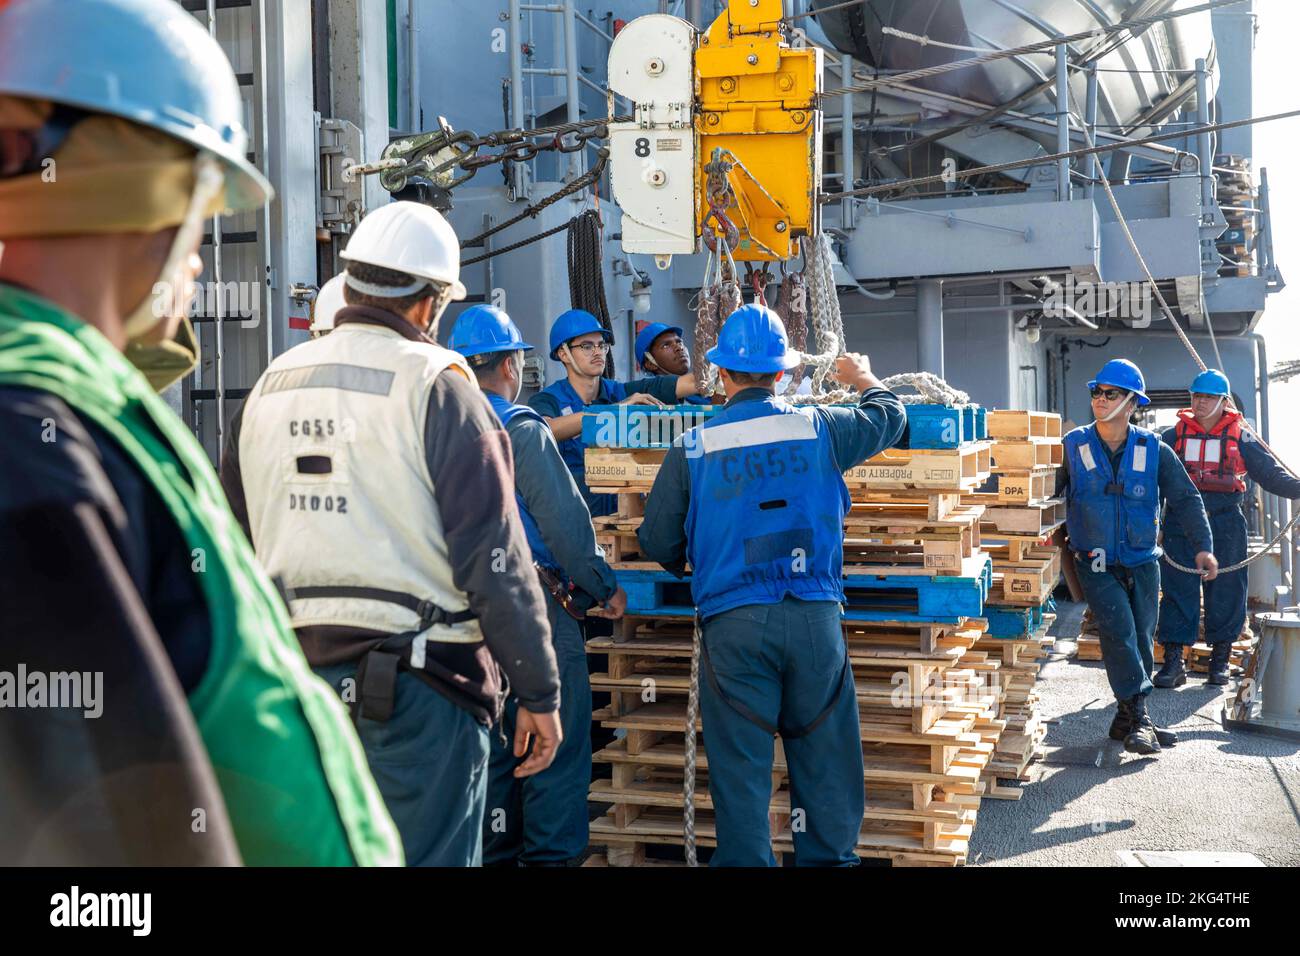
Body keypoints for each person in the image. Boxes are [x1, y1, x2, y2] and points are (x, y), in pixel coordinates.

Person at [0, 0, 400, 865]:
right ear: (154, 191)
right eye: (206, 200)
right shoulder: (36, 441)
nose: (197, 253)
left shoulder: (70, 414)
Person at [219, 202, 562, 866]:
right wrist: (539, 691)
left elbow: (235, 545)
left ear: (350, 285)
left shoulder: (266, 390)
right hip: (418, 695)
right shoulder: (439, 388)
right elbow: (495, 561)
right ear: (431, 305)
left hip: (297, 691)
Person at [636, 304, 907, 866]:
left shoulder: (695, 446)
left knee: (740, 781)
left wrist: (704, 559)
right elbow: (890, 415)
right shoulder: (822, 427)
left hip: (735, 627)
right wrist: (860, 379)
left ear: (724, 374)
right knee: (826, 769)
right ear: (782, 372)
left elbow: (659, 542)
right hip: (814, 623)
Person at [449, 304, 627, 866]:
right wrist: (603, 586)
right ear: (511, 366)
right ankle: (550, 860)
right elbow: (565, 526)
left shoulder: (435, 430)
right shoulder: (522, 429)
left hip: (460, 613)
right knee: (553, 749)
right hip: (538, 609)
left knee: (495, 753)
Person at [1061, 359, 1217, 755]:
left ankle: (1125, 719)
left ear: (1131, 403)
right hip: (1094, 560)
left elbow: (1185, 497)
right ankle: (1142, 717)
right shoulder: (1073, 446)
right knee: (1118, 629)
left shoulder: (1153, 448)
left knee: (1144, 639)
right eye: (1096, 392)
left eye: (1111, 393)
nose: (1100, 399)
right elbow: (1043, 496)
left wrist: (1204, 546)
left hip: (1144, 559)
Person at [1155, 369, 1300, 686]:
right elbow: (1151, 480)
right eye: (1196, 396)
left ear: (1224, 401)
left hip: (1226, 521)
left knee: (1227, 591)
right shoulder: (1172, 437)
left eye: (1208, 397)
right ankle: (1172, 663)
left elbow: (1270, 474)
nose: (1200, 402)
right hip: (1181, 523)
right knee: (1178, 590)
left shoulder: (1242, 436)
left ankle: (1219, 663)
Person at [529, 308, 707, 517]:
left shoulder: (620, 391)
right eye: (586, 346)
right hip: (573, 523)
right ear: (563, 353)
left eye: (601, 345)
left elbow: (691, 383)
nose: (597, 352)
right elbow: (543, 429)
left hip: (621, 522)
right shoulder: (548, 399)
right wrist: (612, 412)